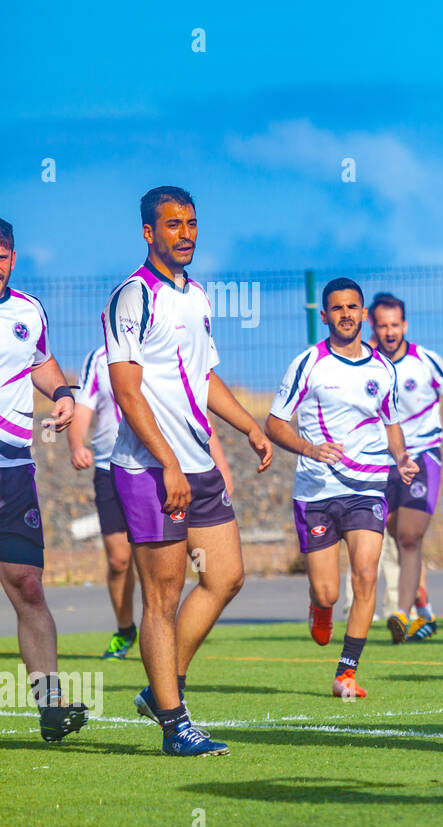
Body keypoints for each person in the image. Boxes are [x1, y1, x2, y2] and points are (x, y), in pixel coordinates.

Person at [104, 187, 273, 756]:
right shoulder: (132, 296)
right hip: (150, 470)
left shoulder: (199, 296)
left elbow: (204, 378)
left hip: (198, 466)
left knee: (225, 577)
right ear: (148, 232)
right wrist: (168, 462)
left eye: (192, 223)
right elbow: (126, 391)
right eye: (172, 224)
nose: (186, 233)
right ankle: (175, 725)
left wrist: (249, 426)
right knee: (163, 595)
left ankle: (160, 689)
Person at [265, 278, 417, 699]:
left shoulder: (383, 369)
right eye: (337, 308)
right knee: (328, 589)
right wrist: (309, 448)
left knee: (367, 573)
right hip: (316, 490)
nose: (346, 314)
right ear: (325, 315)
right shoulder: (308, 363)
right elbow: (275, 424)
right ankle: (320, 606)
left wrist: (401, 457)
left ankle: (346, 671)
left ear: (363, 314)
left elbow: (391, 424)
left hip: (367, 486)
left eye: (353, 307)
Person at [71, 344, 234, 660]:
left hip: (172, 468)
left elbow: (195, 412)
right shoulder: (99, 359)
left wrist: (222, 466)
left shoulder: (172, 351)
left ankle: (166, 645)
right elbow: (82, 409)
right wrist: (77, 444)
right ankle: (125, 631)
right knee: (120, 560)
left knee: (195, 570)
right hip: (113, 468)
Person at [0, 216, 89, 743]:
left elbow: (43, 363)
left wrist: (63, 394)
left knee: (27, 583)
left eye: (4, 254)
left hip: (12, 469)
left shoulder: (28, 312)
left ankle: (50, 707)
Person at [368, 292, 443, 644]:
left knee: (409, 535)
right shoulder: (367, 366)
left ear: (404, 324)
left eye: (396, 324)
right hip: (382, 461)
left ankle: (402, 615)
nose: (390, 332)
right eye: (383, 325)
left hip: (423, 457)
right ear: (373, 326)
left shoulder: (426, 361)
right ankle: (422, 608)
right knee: (393, 531)